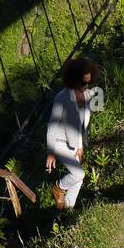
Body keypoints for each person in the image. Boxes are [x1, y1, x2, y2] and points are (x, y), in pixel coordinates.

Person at [45, 57, 101, 211]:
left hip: (75, 144)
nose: (86, 86)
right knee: (78, 174)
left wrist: (81, 146)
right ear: (73, 80)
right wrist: (50, 153)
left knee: (77, 182)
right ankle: (58, 187)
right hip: (59, 143)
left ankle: (67, 209)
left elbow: (83, 125)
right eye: (83, 83)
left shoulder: (89, 96)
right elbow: (52, 126)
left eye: (89, 83)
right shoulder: (62, 97)